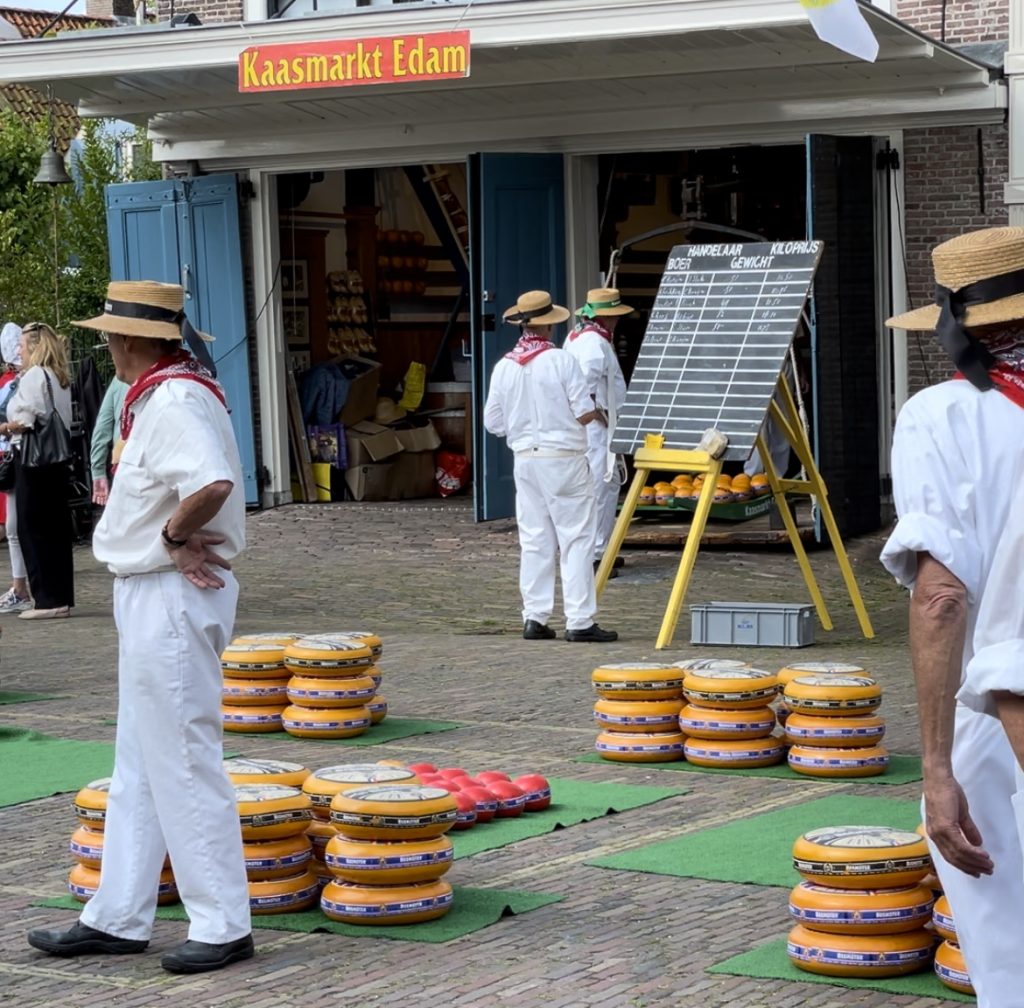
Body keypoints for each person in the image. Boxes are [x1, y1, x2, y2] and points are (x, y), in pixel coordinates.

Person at [26, 280, 253, 974]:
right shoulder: (166, 391)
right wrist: (172, 533)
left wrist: (173, 533)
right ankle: (119, 914)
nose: (106, 346)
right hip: (154, 588)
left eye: (109, 336)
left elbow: (209, 482)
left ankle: (221, 920)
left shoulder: (175, 398)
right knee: (142, 765)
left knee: (181, 758)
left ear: (131, 341)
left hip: (169, 592)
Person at [880, 226, 1024, 1007]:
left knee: (1009, 945)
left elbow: (940, 596)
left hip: (1000, 707)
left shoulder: (941, 417)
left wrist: (935, 767)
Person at [484, 289, 617, 643]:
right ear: (548, 326)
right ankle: (580, 619)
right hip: (564, 458)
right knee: (576, 538)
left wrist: (523, 424)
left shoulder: (504, 367)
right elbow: (583, 411)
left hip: (525, 459)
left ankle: (535, 616)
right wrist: (602, 414)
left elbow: (493, 422)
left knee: (535, 538)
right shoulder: (561, 361)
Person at [0, 323, 74, 620]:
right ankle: (60, 597)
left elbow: (25, 420)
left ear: (34, 346)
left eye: (21, 344)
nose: (18, 350)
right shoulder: (60, 377)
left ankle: (46, 599)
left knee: (33, 528)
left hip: (33, 459)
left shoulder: (33, 377)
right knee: (55, 529)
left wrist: (4, 426)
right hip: (56, 461)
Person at [564, 288, 629, 573]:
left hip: (592, 427)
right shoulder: (593, 344)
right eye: (613, 316)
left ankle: (598, 550)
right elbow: (583, 388)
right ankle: (597, 555)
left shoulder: (579, 336)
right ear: (605, 317)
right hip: (596, 429)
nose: (616, 322)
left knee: (597, 487)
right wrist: (601, 415)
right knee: (603, 486)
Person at [0, 322, 31, 613]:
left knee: (17, 527)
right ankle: (21, 585)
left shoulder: (16, 382)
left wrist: (7, 428)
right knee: (16, 526)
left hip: (20, 456)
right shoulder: (12, 382)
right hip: (17, 456)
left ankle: (22, 586)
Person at [89, 376, 128, 505]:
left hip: (122, 463)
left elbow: (103, 426)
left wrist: (98, 471)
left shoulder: (120, 377)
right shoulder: (177, 374)